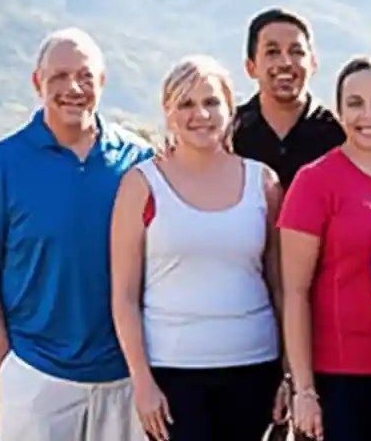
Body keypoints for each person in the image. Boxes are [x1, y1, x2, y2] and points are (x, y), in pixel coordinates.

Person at [0, 28, 154, 441]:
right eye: (59, 77)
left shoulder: (139, 162)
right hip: (38, 379)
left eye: (84, 76)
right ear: (37, 82)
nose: (73, 88)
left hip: (125, 380)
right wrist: (9, 366)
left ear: (102, 82)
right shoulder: (1, 164)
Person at [110, 55, 287, 441]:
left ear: (229, 109)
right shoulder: (140, 185)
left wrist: (287, 373)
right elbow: (123, 295)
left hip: (255, 368)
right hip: (172, 376)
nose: (200, 114)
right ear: (168, 113)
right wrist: (142, 381)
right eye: (186, 104)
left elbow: (281, 288)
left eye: (210, 102)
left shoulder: (263, 183)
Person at [279, 55, 371, 441]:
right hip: (341, 381)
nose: (369, 115)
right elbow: (294, 293)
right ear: (340, 111)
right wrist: (304, 391)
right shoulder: (314, 182)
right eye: (355, 103)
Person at [233, 8, 345, 189]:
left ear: (313, 63)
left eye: (296, 52)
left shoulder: (338, 135)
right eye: (272, 52)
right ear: (251, 67)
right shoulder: (228, 134)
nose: (285, 62)